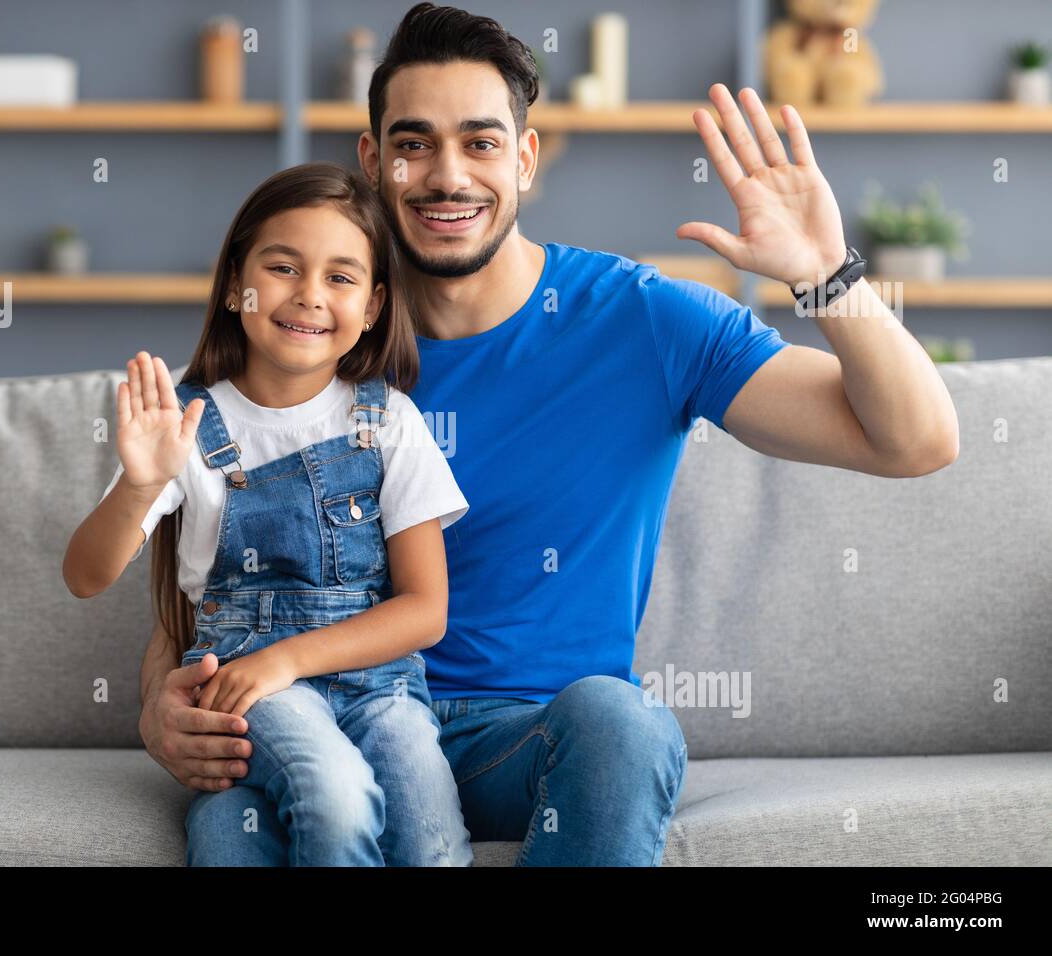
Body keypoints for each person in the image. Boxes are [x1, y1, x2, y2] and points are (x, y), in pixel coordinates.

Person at [139, 3, 960, 866]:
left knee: (620, 720)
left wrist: (825, 274)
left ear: (525, 159)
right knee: (228, 825)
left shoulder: (643, 320)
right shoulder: (310, 343)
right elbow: (207, 578)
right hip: (327, 720)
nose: (446, 175)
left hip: (527, 741)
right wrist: (159, 708)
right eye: (414, 143)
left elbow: (916, 440)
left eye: (481, 142)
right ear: (375, 164)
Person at [63, 161, 474, 866]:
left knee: (430, 836)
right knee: (337, 799)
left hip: (380, 688)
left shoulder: (392, 421)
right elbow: (84, 576)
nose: (310, 295)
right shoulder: (188, 426)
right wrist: (139, 484)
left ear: (373, 307)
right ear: (234, 285)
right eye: (283, 267)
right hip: (244, 678)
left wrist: (288, 660)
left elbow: (424, 609)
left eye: (340, 278)